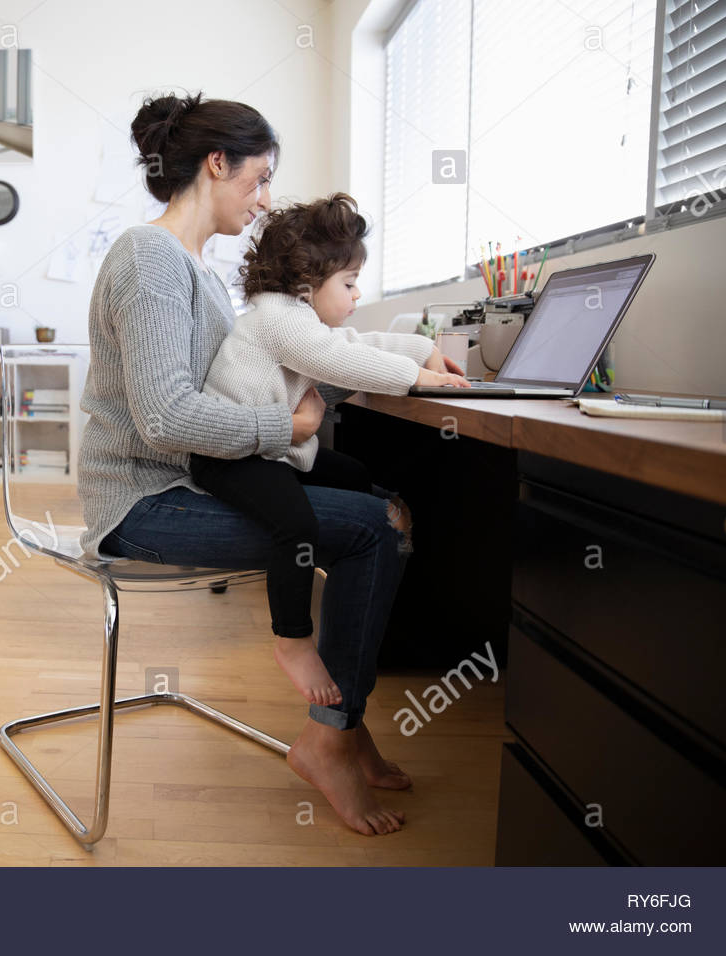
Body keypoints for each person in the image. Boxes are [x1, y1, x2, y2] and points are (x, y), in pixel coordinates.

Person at [78, 92, 414, 836]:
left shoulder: (194, 270)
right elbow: (166, 417)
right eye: (259, 179)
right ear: (216, 163)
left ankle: (344, 727)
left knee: (381, 508)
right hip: (143, 501)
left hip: (187, 480)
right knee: (374, 529)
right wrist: (286, 425)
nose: (265, 201)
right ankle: (331, 737)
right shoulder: (150, 260)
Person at [188, 195, 468, 708]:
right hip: (231, 456)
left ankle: (351, 576)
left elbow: (352, 342)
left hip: (270, 450)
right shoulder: (278, 320)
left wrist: (421, 349)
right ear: (305, 283)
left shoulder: (293, 316)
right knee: (295, 522)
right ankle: (292, 639)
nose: (357, 295)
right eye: (349, 283)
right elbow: (339, 361)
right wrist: (421, 377)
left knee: (354, 472)